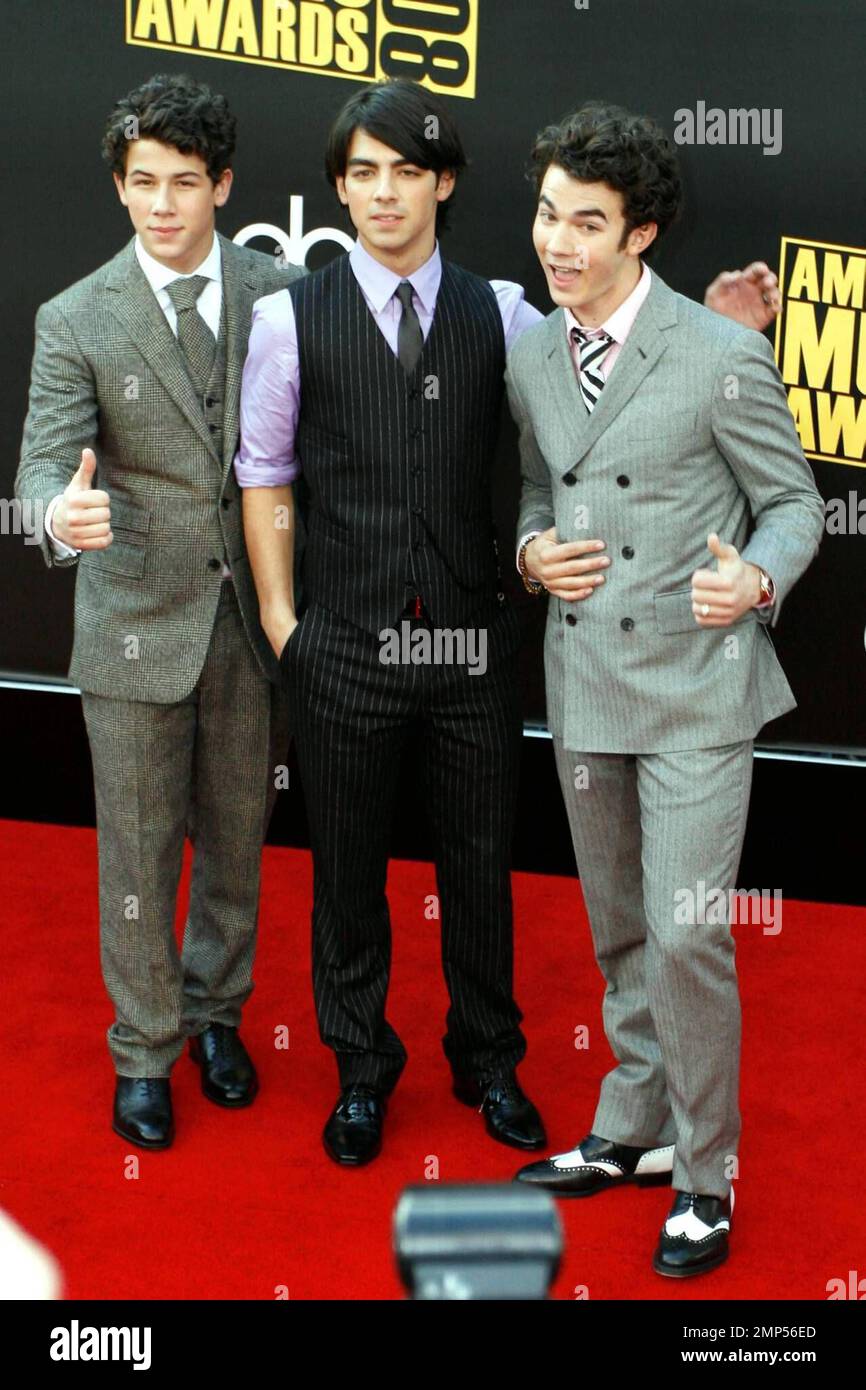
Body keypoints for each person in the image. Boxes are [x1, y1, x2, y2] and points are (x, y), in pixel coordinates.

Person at [236, 78, 782, 1169]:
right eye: (360, 172)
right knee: (345, 875)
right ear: (337, 187)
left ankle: (488, 1060)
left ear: (442, 183)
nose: (382, 193)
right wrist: (287, 624)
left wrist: (721, 336)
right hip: (341, 644)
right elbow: (264, 474)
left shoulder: (506, 315)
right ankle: (360, 1069)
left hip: (473, 648)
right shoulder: (286, 317)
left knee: (480, 872)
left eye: (405, 170)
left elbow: (617, 366)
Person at [507, 102, 824, 1277]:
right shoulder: (531, 353)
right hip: (584, 676)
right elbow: (537, 487)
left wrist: (755, 577)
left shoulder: (718, 354)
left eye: (586, 222)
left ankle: (703, 1171)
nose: (558, 242)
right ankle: (631, 1125)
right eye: (548, 214)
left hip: (696, 685)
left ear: (639, 233)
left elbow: (791, 503)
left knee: (687, 934)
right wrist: (531, 551)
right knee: (620, 928)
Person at [15, 73, 304, 1150]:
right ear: (119, 186)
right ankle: (144, 1050)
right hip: (133, 620)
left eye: (184, 182)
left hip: (255, 623)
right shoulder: (75, 316)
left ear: (222, 186)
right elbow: (42, 464)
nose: (161, 205)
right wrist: (58, 512)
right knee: (136, 855)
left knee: (237, 840)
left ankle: (216, 1016)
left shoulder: (284, 293)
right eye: (143, 182)